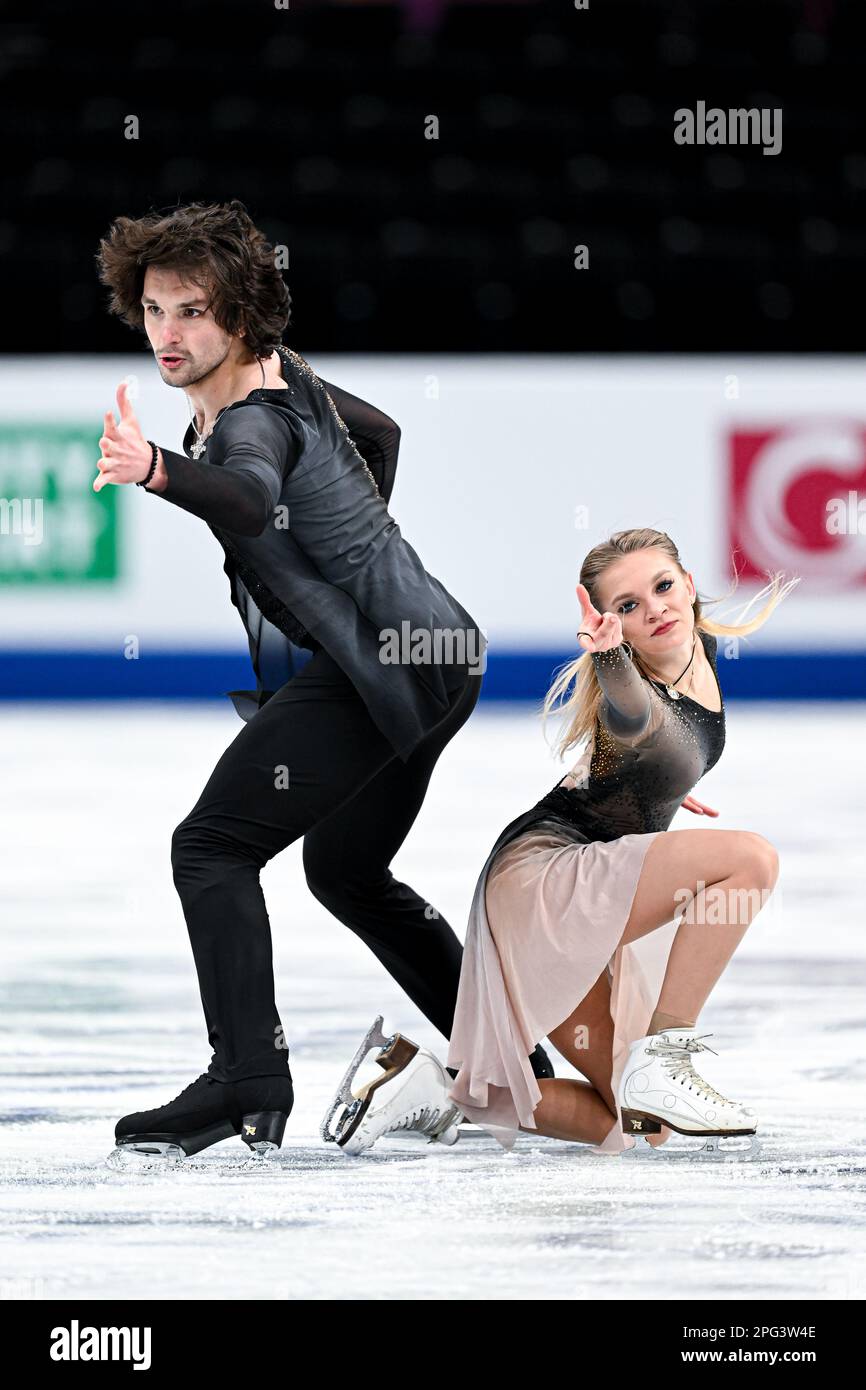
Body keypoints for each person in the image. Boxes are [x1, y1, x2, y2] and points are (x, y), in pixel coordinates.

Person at [91, 198, 553, 1163]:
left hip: (383, 670)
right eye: (154, 310)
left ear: (242, 317)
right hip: (437, 657)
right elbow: (378, 433)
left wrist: (155, 470)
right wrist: (349, 544)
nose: (166, 336)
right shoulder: (287, 379)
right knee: (344, 871)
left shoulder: (253, 418)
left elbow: (254, 497)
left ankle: (248, 1076)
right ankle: (514, 1065)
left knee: (209, 847)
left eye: (191, 313)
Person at [328, 528, 799, 1157]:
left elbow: (655, 745)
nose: (654, 608)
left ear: (688, 585)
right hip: (544, 880)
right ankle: (667, 1051)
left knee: (639, 1125)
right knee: (751, 860)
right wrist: (609, 662)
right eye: (627, 607)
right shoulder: (626, 684)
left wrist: (659, 784)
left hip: (570, 885)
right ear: (610, 625)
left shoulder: (696, 650)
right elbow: (634, 717)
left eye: (662, 587)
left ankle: (427, 1088)